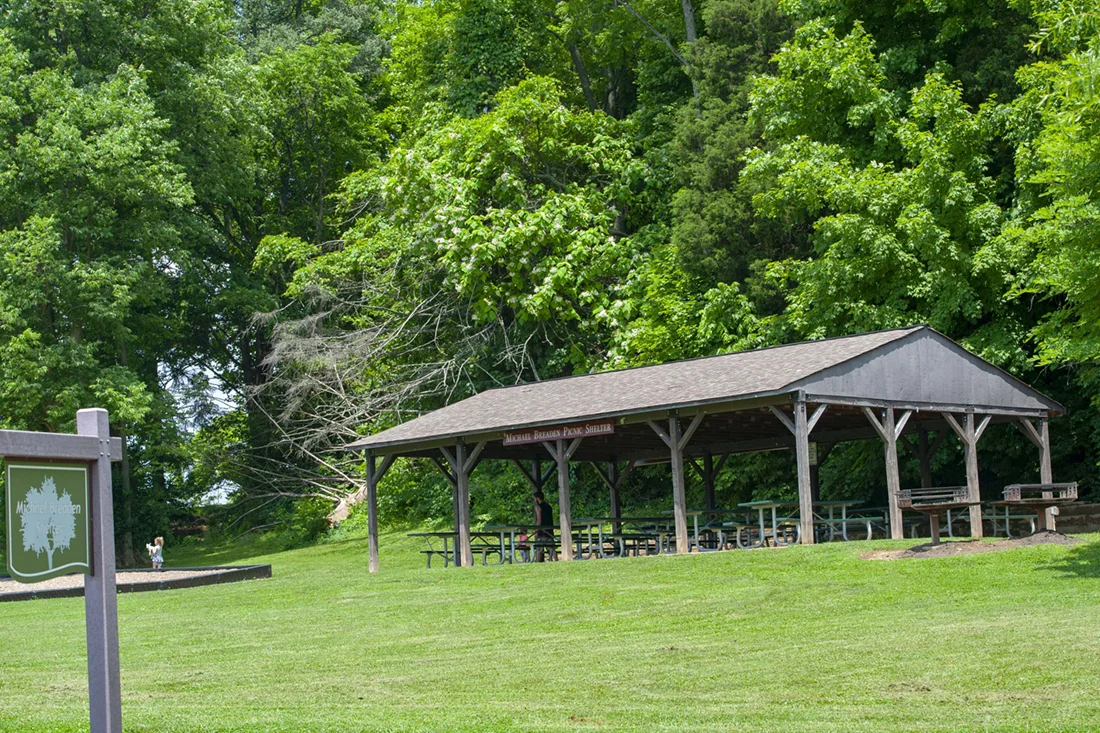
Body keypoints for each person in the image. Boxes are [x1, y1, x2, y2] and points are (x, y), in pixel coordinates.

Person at [533, 491, 557, 562]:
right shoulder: (549, 506)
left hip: (542, 531)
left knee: (539, 548)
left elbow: (539, 520)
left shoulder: (538, 507)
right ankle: (556, 560)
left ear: (537, 498)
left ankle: (538, 562)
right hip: (550, 530)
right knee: (552, 548)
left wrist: (536, 531)